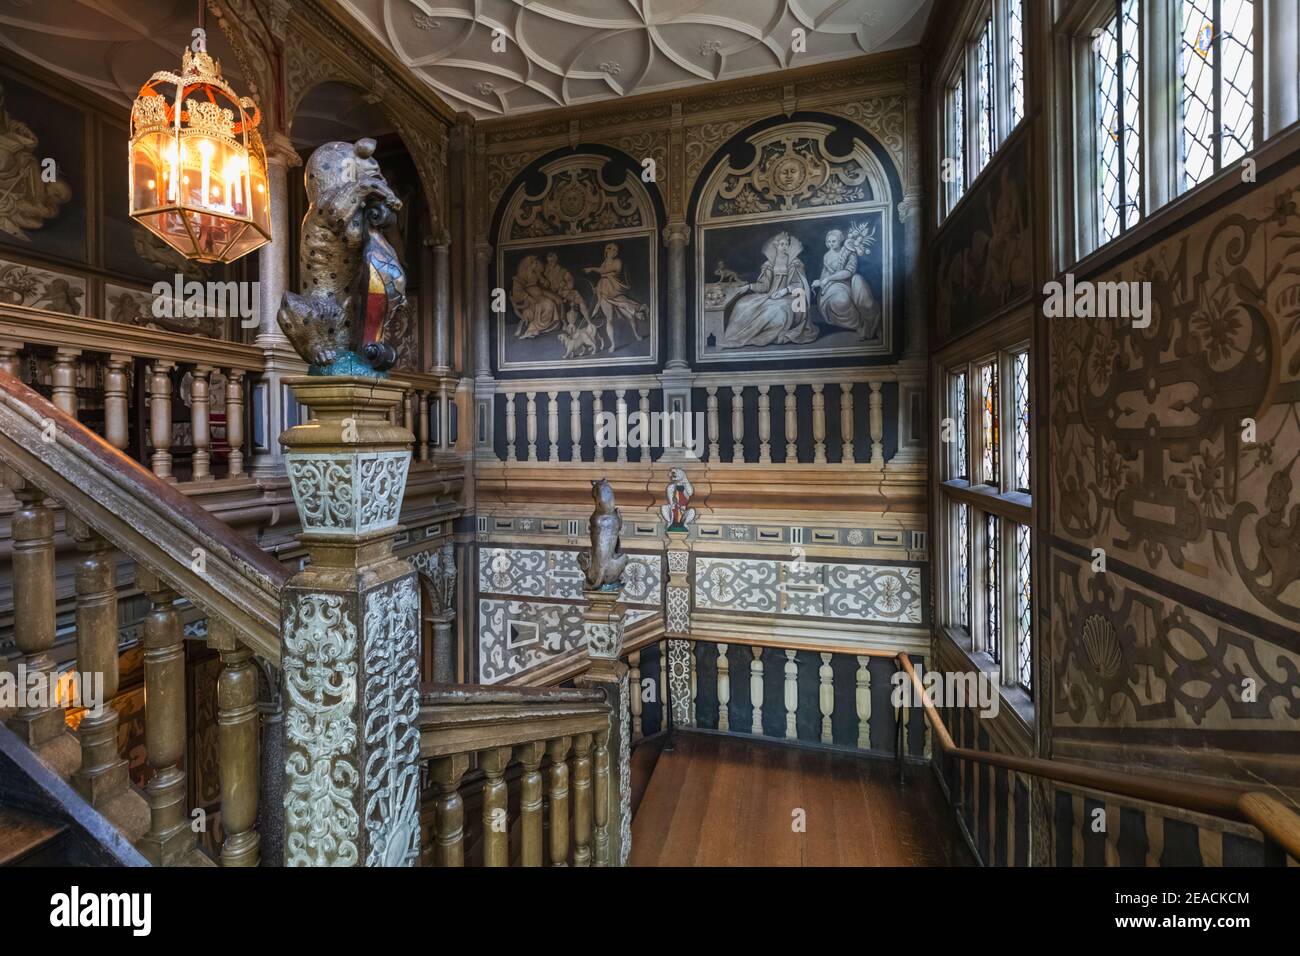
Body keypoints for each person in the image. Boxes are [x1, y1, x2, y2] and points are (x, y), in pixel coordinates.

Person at [720, 232, 818, 348]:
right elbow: (764, 286)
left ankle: (755, 336)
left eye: (787, 244)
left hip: (790, 298)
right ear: (776, 246)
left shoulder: (795, 263)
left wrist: (784, 291)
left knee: (777, 312)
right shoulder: (769, 264)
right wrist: (748, 287)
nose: (785, 247)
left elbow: (799, 285)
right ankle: (735, 337)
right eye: (782, 244)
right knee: (742, 305)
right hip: (770, 296)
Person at [812, 228, 880, 340]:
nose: (831, 244)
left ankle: (861, 324)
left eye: (833, 241)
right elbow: (825, 273)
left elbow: (849, 271)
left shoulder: (849, 252)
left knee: (841, 300)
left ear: (840, 240)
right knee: (834, 301)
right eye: (829, 242)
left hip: (846, 283)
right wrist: (820, 282)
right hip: (830, 286)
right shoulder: (827, 255)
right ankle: (855, 324)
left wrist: (829, 279)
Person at [584, 243, 647, 352]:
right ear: (607, 250)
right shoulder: (603, 263)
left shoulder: (617, 262)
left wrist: (592, 269)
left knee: (629, 315)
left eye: (616, 250)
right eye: (612, 249)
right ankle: (613, 344)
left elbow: (610, 270)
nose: (614, 251)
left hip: (615, 291)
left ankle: (636, 334)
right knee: (609, 319)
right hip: (604, 291)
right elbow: (602, 271)